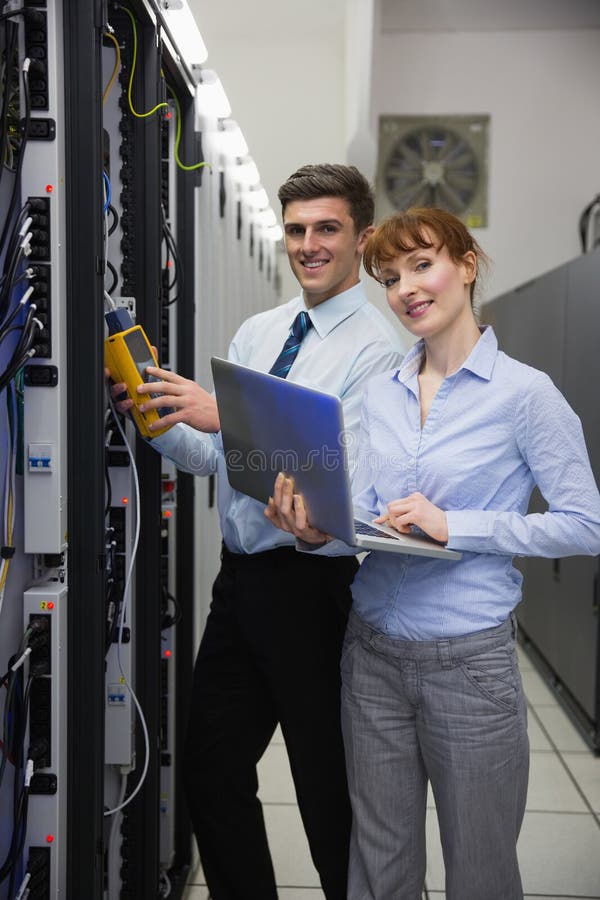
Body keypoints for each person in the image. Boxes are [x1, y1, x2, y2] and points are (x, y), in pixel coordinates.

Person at [265, 207, 600, 900]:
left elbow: (585, 524)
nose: (405, 289)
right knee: (379, 867)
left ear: (466, 265)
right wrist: (318, 525)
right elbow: (374, 508)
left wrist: (459, 526)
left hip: (469, 667)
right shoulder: (382, 391)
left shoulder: (525, 395)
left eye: (422, 266)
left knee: (478, 872)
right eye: (390, 277)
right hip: (372, 658)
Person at [110, 164, 404, 899]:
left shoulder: (378, 351)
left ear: (362, 240)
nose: (308, 244)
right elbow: (212, 455)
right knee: (211, 769)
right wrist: (155, 414)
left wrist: (225, 415)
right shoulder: (260, 331)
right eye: (297, 229)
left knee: (327, 791)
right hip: (241, 586)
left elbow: (343, 488)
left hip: (317, 593)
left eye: (326, 229)